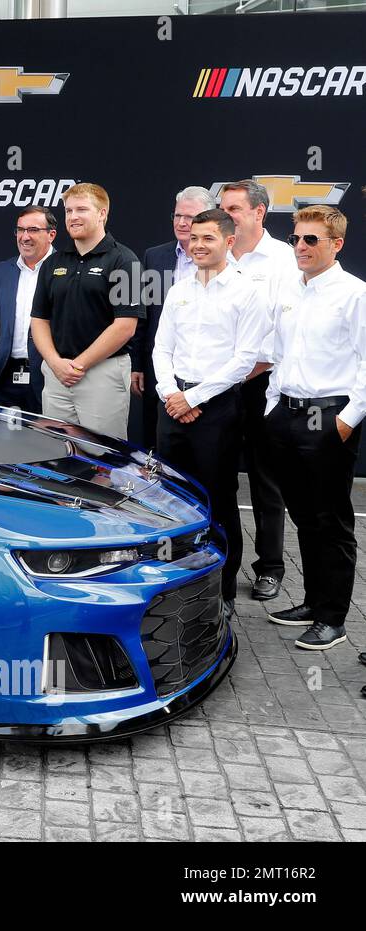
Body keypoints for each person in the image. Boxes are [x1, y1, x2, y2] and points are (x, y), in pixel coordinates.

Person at [152, 209, 269, 622]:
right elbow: (161, 348)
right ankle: (173, 583)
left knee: (217, 500)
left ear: (229, 241)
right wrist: (171, 393)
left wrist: (194, 397)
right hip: (173, 403)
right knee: (169, 499)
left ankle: (222, 591)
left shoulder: (247, 291)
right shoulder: (180, 288)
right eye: (193, 237)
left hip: (217, 407)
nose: (198, 244)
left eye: (208, 238)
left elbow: (244, 361)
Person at [263, 205, 366, 652]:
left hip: (328, 418)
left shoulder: (354, 294)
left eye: (311, 241)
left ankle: (333, 618)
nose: (300, 247)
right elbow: (279, 354)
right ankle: (310, 602)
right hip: (285, 415)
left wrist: (345, 421)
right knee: (303, 516)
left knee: (332, 521)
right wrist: (271, 407)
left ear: (336, 244)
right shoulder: (290, 290)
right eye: (296, 239)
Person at [220, 178, 298, 603]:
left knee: (266, 480)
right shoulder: (215, 253)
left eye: (233, 208)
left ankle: (270, 568)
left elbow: (285, 326)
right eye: (223, 207)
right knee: (219, 477)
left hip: (263, 383)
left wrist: (255, 367)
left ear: (258, 213)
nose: (225, 215)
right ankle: (220, 562)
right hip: (218, 386)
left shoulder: (284, 260)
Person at [30, 182, 143, 440]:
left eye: (81, 209)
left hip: (101, 374)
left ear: (102, 213)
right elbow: (38, 320)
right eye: (68, 211)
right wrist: (55, 363)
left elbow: (125, 326)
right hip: (58, 373)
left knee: (102, 458)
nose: (73, 217)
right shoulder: (53, 263)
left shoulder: (125, 260)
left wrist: (78, 366)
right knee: (59, 453)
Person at [131, 186, 213, 447]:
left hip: (206, 373)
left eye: (189, 217)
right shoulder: (155, 256)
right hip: (160, 367)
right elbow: (145, 314)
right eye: (177, 216)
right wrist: (138, 364)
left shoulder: (225, 260)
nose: (181, 222)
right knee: (158, 447)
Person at [0, 206, 56, 412]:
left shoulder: (65, 269)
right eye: (20, 230)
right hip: (5, 376)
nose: (25, 237)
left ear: (51, 234)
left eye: (33, 230)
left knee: (48, 441)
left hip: (49, 376)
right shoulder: (0, 272)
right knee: (3, 441)